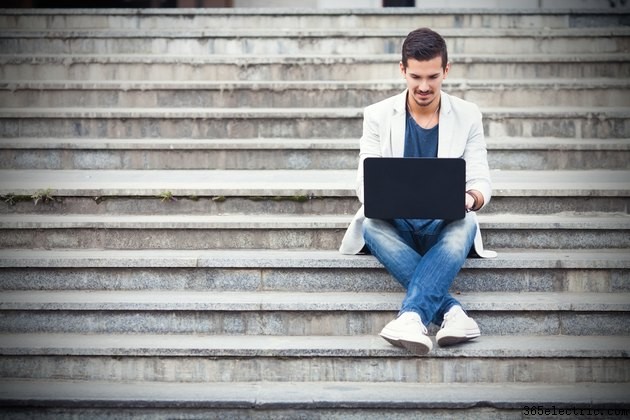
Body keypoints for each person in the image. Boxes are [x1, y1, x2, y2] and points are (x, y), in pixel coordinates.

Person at [339, 27, 496, 355]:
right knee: (370, 225)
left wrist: (468, 198)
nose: (424, 86)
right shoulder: (378, 115)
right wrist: (386, 200)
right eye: (415, 77)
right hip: (397, 226)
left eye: (433, 77)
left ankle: (411, 316)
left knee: (466, 224)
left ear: (446, 71)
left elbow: (481, 181)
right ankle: (453, 313)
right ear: (402, 70)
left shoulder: (468, 116)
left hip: (443, 224)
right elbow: (364, 182)